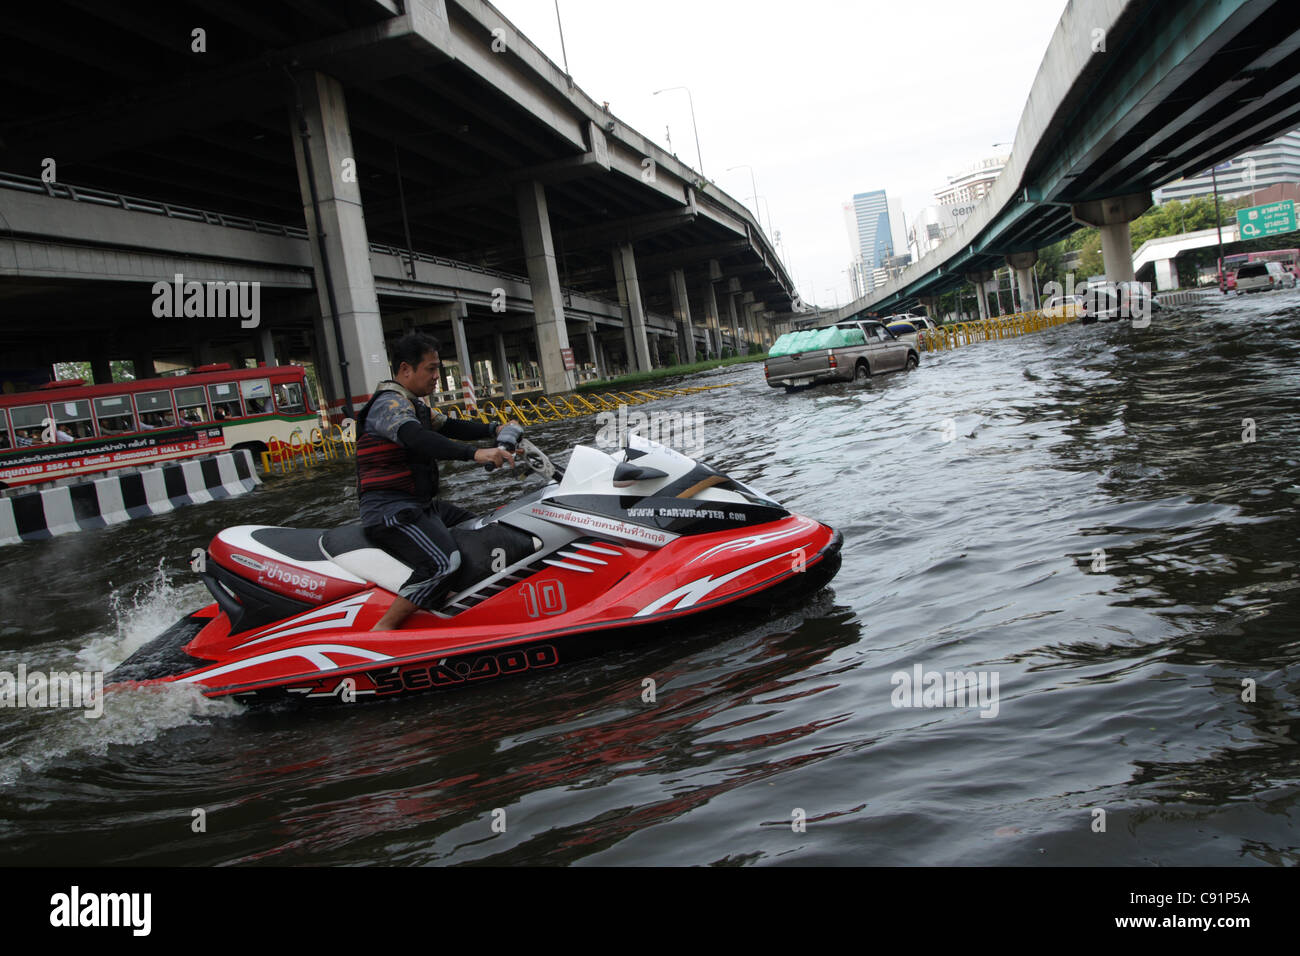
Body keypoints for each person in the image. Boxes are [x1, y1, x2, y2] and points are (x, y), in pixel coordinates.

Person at [357, 333, 520, 631]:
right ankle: (383, 631)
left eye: (438, 369)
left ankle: (457, 602)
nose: (437, 377)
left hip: (419, 505)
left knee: (484, 531)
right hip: (389, 510)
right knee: (443, 562)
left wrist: (496, 429)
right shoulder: (389, 406)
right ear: (406, 370)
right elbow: (417, 438)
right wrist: (476, 454)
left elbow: (452, 426)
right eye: (430, 369)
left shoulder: (414, 406)